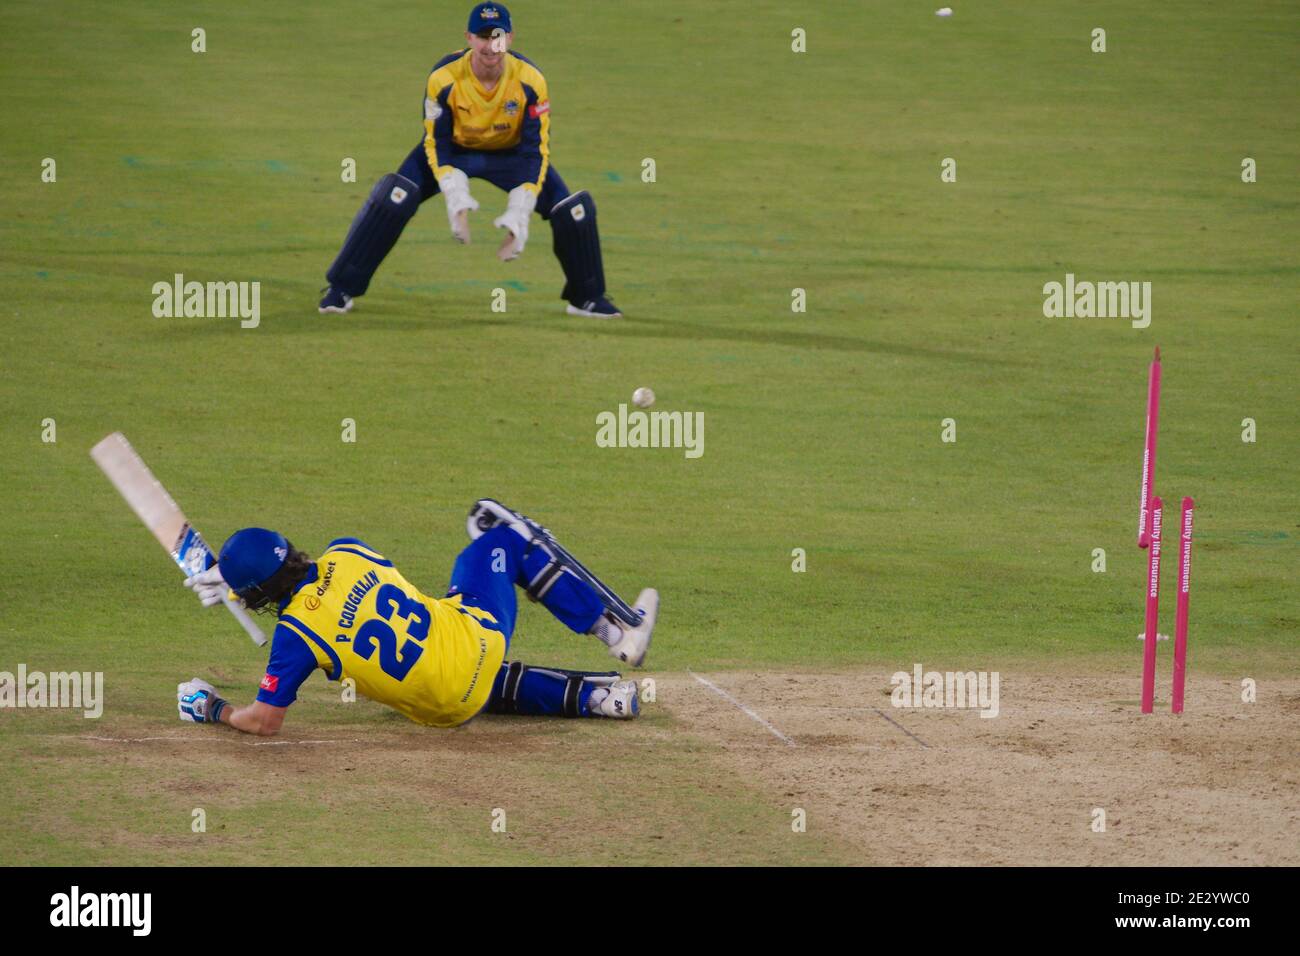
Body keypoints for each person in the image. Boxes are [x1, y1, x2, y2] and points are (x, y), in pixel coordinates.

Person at [175, 499, 658, 735]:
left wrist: (212, 707)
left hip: (445, 710)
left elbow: (263, 721)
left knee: (455, 672)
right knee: (502, 533)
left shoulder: (294, 638)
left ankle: (599, 697)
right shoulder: (348, 552)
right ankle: (616, 628)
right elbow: (313, 586)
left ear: (258, 594)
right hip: (476, 641)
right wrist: (242, 587)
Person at [318, 2, 622, 318]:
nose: (491, 46)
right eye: (482, 37)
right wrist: (456, 199)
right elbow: (437, 143)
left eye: (498, 37)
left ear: (511, 38)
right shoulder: (443, 77)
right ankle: (340, 290)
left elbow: (536, 152)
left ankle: (586, 298)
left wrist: (520, 214)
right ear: (469, 38)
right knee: (393, 198)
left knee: (574, 212)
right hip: (454, 151)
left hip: (512, 155)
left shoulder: (531, 81)